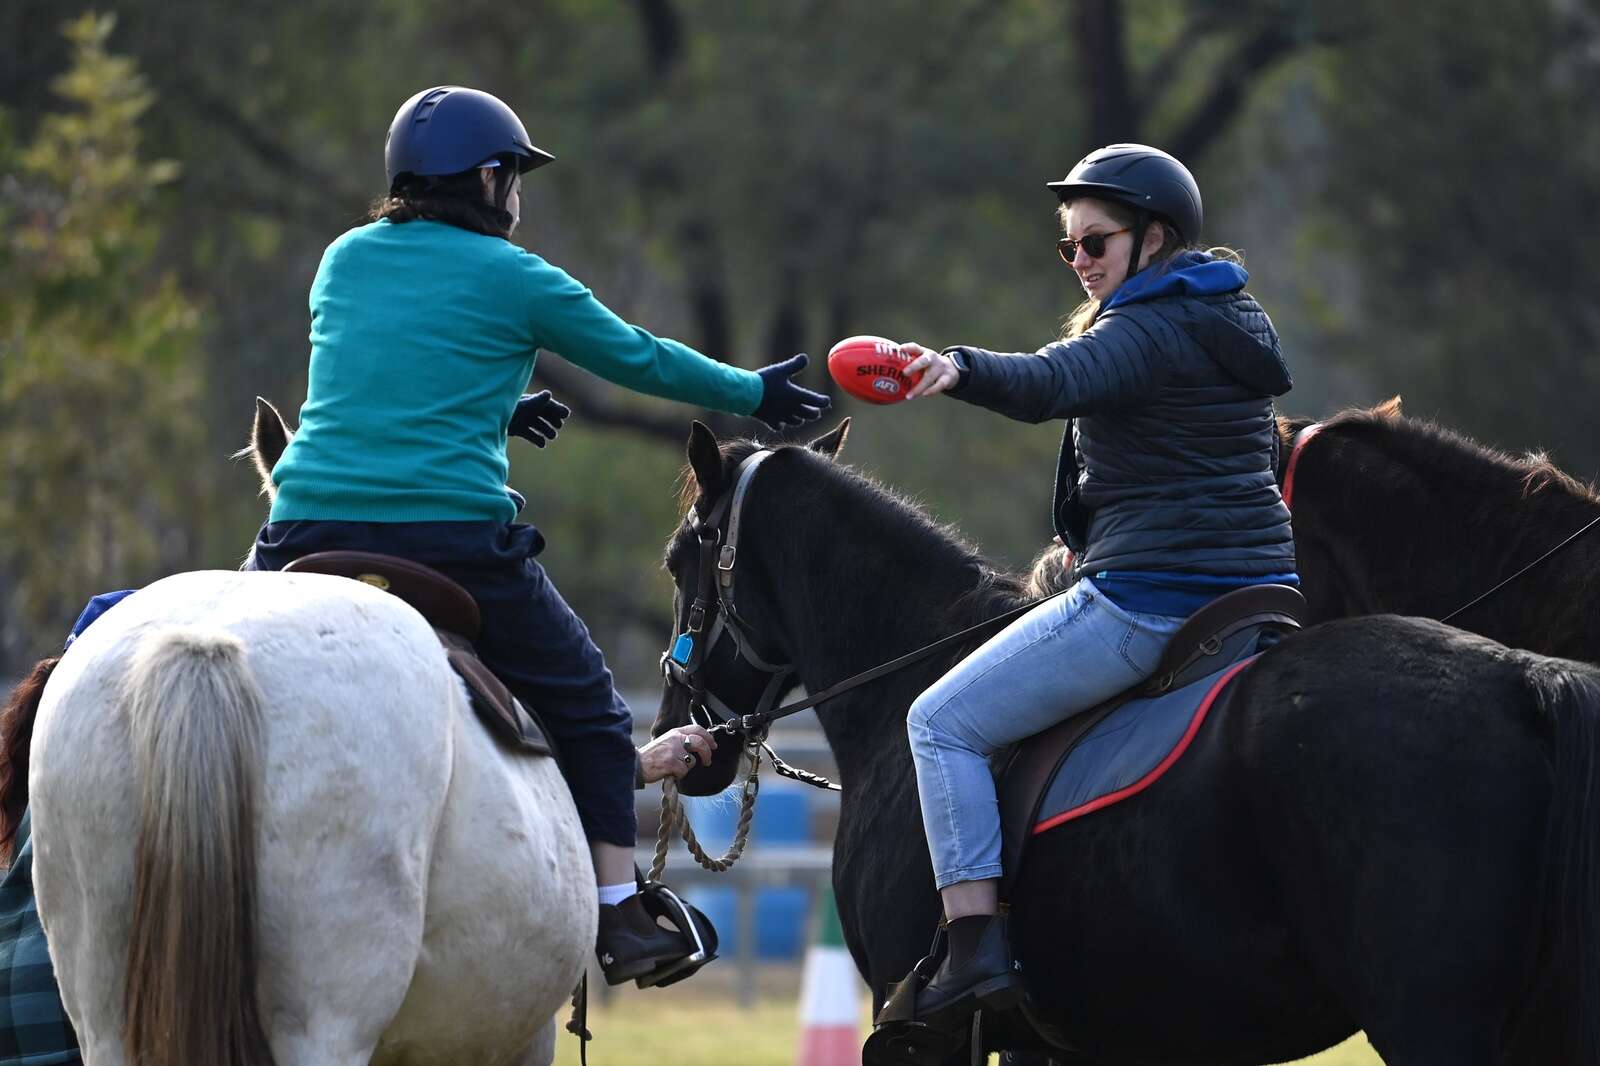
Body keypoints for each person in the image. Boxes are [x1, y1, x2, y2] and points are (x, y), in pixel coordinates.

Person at [246, 85, 829, 986]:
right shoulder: (516, 277)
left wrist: (496, 399)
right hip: (449, 544)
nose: (517, 197)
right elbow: (637, 354)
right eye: (514, 177)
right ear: (488, 178)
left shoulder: (342, 259)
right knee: (595, 712)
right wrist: (751, 391)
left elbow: (373, 375)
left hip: (300, 527)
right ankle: (619, 917)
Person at [891, 144, 1295, 1027]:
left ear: (1154, 239)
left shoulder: (1143, 329)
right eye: (1068, 248)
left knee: (939, 722)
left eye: (1096, 243)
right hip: (1263, 593)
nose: (1080, 262)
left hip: (1151, 600)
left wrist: (956, 366)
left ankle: (972, 951)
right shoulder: (1229, 315)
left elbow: (1051, 383)